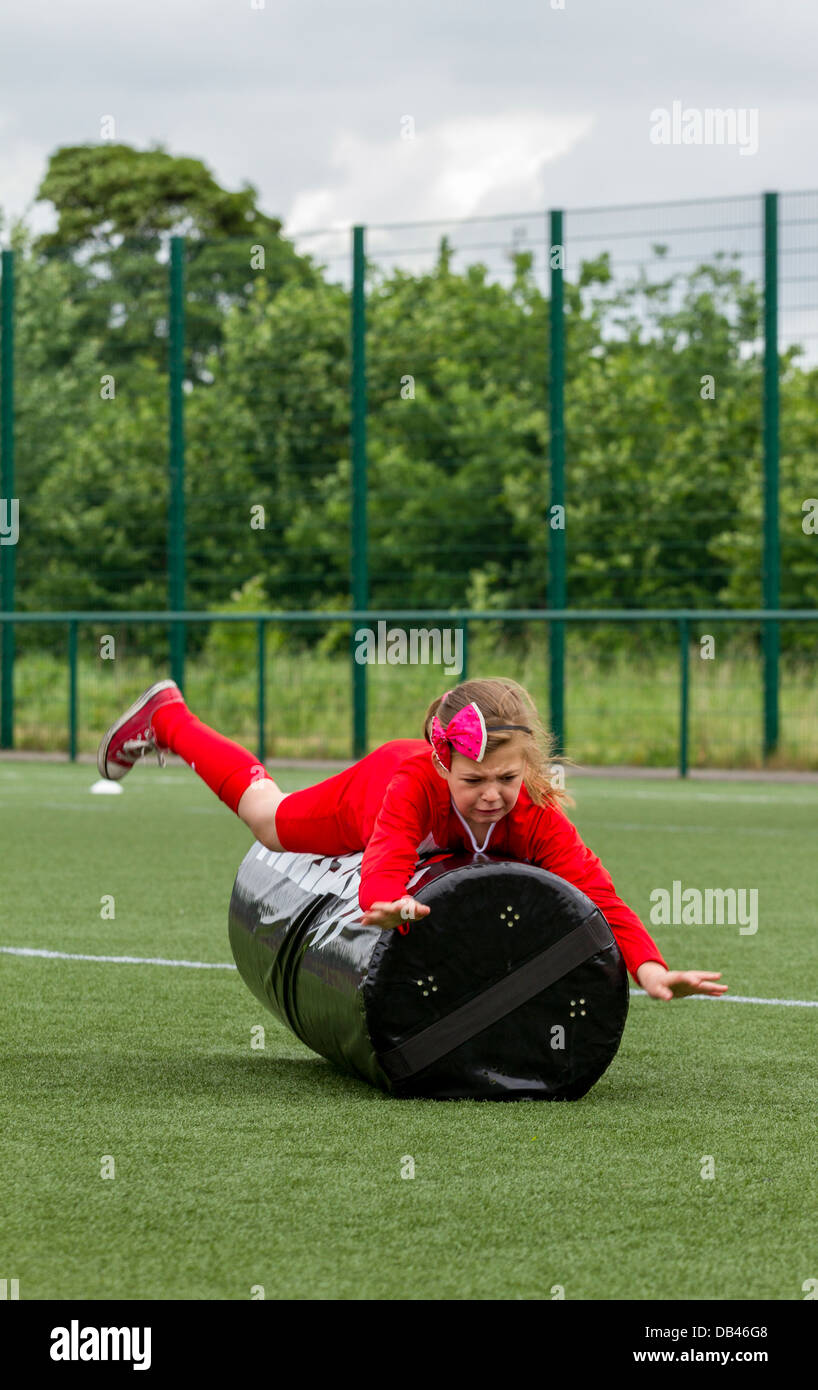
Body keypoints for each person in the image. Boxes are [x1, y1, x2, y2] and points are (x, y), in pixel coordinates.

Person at [97, 675, 728, 1003]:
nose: (490, 794)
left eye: (507, 778)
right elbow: (389, 853)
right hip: (367, 798)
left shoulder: (532, 810)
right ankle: (170, 719)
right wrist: (385, 902)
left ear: (531, 768)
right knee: (270, 819)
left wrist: (649, 968)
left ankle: (170, 718)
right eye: (473, 779)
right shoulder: (413, 782)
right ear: (443, 763)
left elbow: (597, 892)